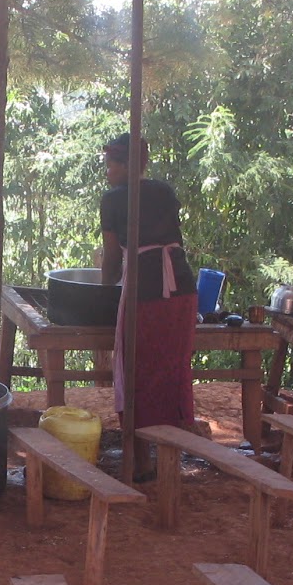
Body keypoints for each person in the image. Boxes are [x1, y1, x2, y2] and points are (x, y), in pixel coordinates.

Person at [97, 132, 199, 447]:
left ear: (126, 165)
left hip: (146, 292)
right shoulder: (164, 191)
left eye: (110, 165)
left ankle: (140, 458)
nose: (107, 172)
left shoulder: (113, 199)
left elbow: (112, 258)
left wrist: (103, 295)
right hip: (182, 289)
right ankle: (174, 451)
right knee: (173, 367)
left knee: (137, 371)